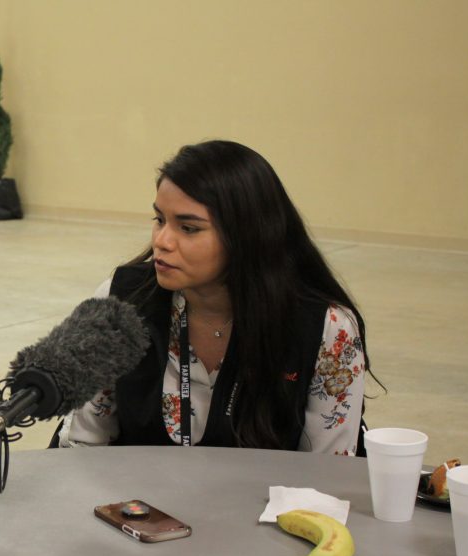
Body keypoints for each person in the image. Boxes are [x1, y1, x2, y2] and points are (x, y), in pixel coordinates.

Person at [56, 140, 375, 455]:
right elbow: (84, 446)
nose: (162, 241)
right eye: (159, 220)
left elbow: (327, 477)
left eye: (189, 228)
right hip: (135, 504)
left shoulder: (326, 327)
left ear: (247, 236)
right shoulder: (121, 301)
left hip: (269, 506)